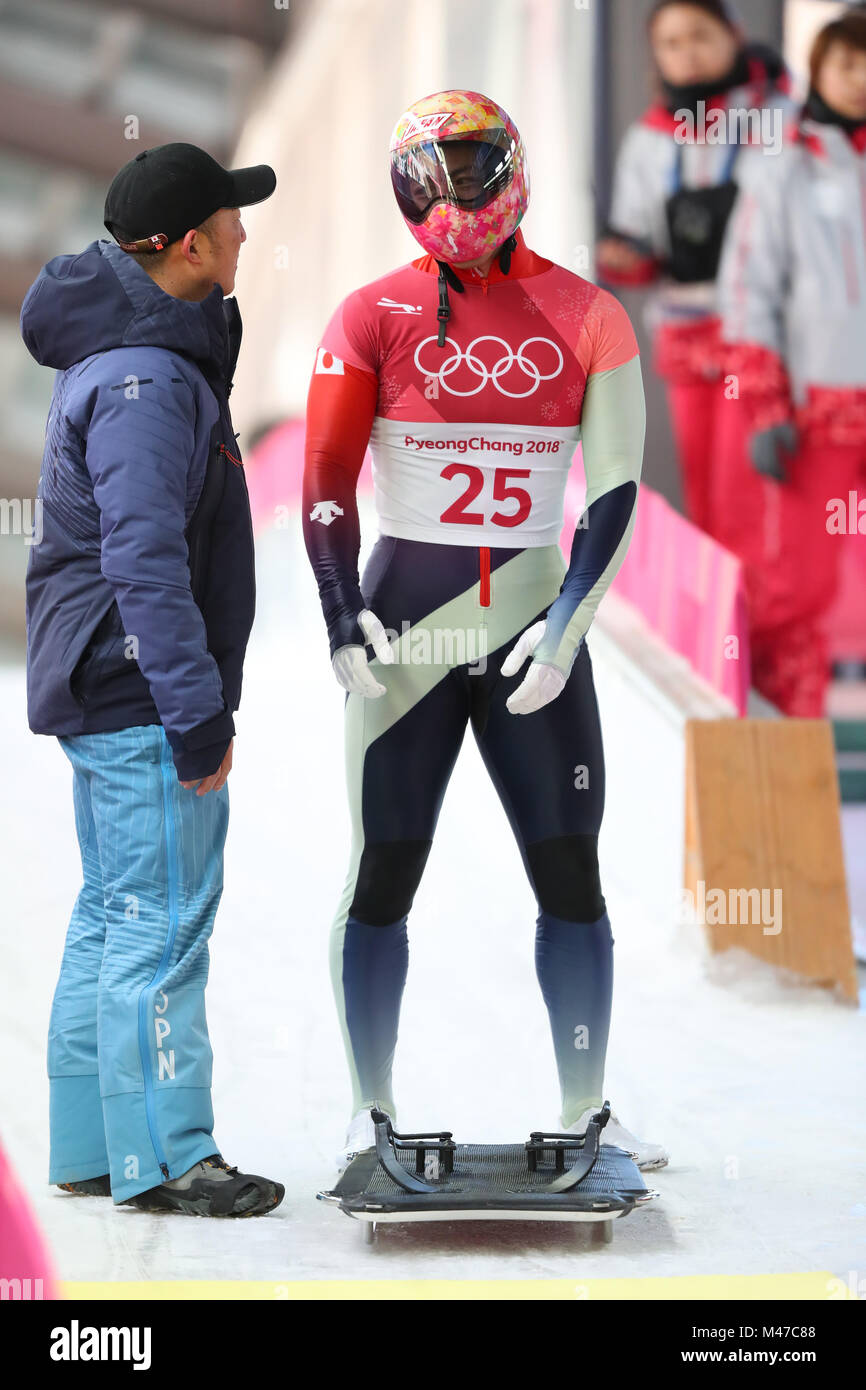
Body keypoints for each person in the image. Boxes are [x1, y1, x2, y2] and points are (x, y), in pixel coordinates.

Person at [302, 90, 667, 1170]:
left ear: (509, 170)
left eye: (470, 172)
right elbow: (324, 485)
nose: (453, 198)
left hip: (528, 641)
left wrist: (562, 631)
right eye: (431, 178)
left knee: (568, 875)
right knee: (382, 874)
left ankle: (587, 1103)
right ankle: (367, 1104)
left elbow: (613, 492)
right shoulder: (368, 313)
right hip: (405, 633)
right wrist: (336, 613)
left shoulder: (587, 312)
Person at [21, 143, 284, 1217]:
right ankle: (168, 1156)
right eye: (229, 219)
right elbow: (143, 557)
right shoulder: (147, 377)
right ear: (183, 246)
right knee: (162, 918)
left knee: (113, 908)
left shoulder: (136, 351)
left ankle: (94, 1145)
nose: (243, 235)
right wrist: (196, 715)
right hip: (137, 686)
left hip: (103, 676)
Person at [716, 10, 866, 716]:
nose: (862, 81)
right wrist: (764, 405)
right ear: (822, 69)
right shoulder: (782, 165)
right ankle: (775, 738)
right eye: (848, 64)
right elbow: (747, 290)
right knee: (796, 585)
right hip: (818, 413)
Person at [597, 0, 791, 534]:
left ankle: (765, 614)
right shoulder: (650, 138)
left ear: (734, 33)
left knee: (747, 492)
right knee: (705, 491)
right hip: (686, 335)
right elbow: (638, 242)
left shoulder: (782, 120)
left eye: (701, 35)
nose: (689, 54)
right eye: (672, 43)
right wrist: (625, 258)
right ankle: (729, 615)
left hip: (761, 334)